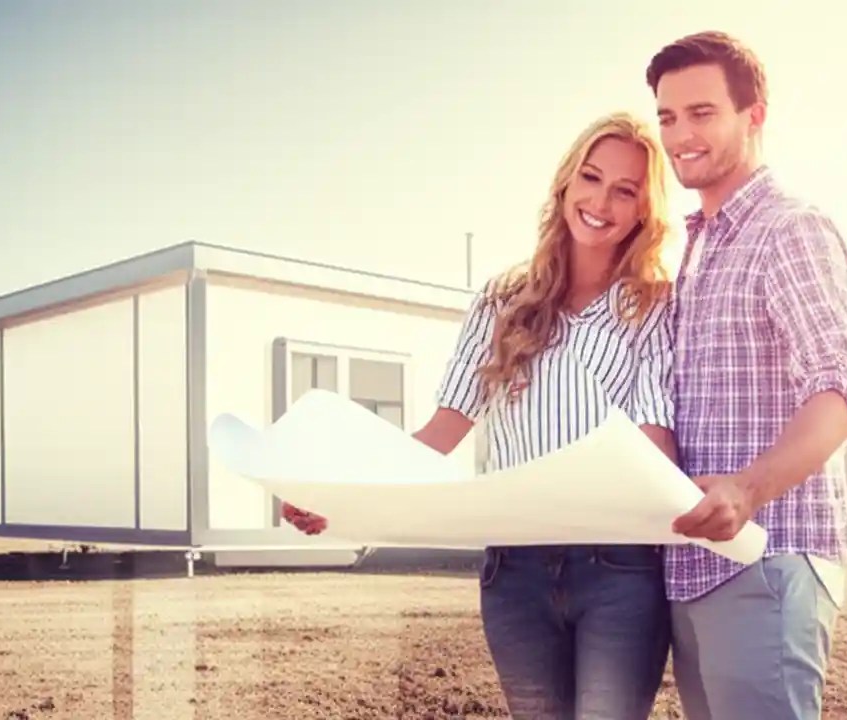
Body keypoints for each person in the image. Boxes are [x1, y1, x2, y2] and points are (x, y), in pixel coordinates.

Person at [282, 111, 681, 720]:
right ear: (565, 184)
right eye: (591, 178)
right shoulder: (502, 300)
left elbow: (657, 451)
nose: (600, 201)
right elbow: (441, 432)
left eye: (624, 191)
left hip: (617, 570)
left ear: (643, 212)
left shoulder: (652, 306)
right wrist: (339, 496)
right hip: (514, 572)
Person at [643, 31, 847, 720]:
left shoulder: (788, 229)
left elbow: (841, 388)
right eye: (667, 117)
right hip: (696, 568)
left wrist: (748, 487)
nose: (680, 134)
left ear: (755, 115)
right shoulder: (698, 248)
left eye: (702, 113)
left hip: (767, 561)